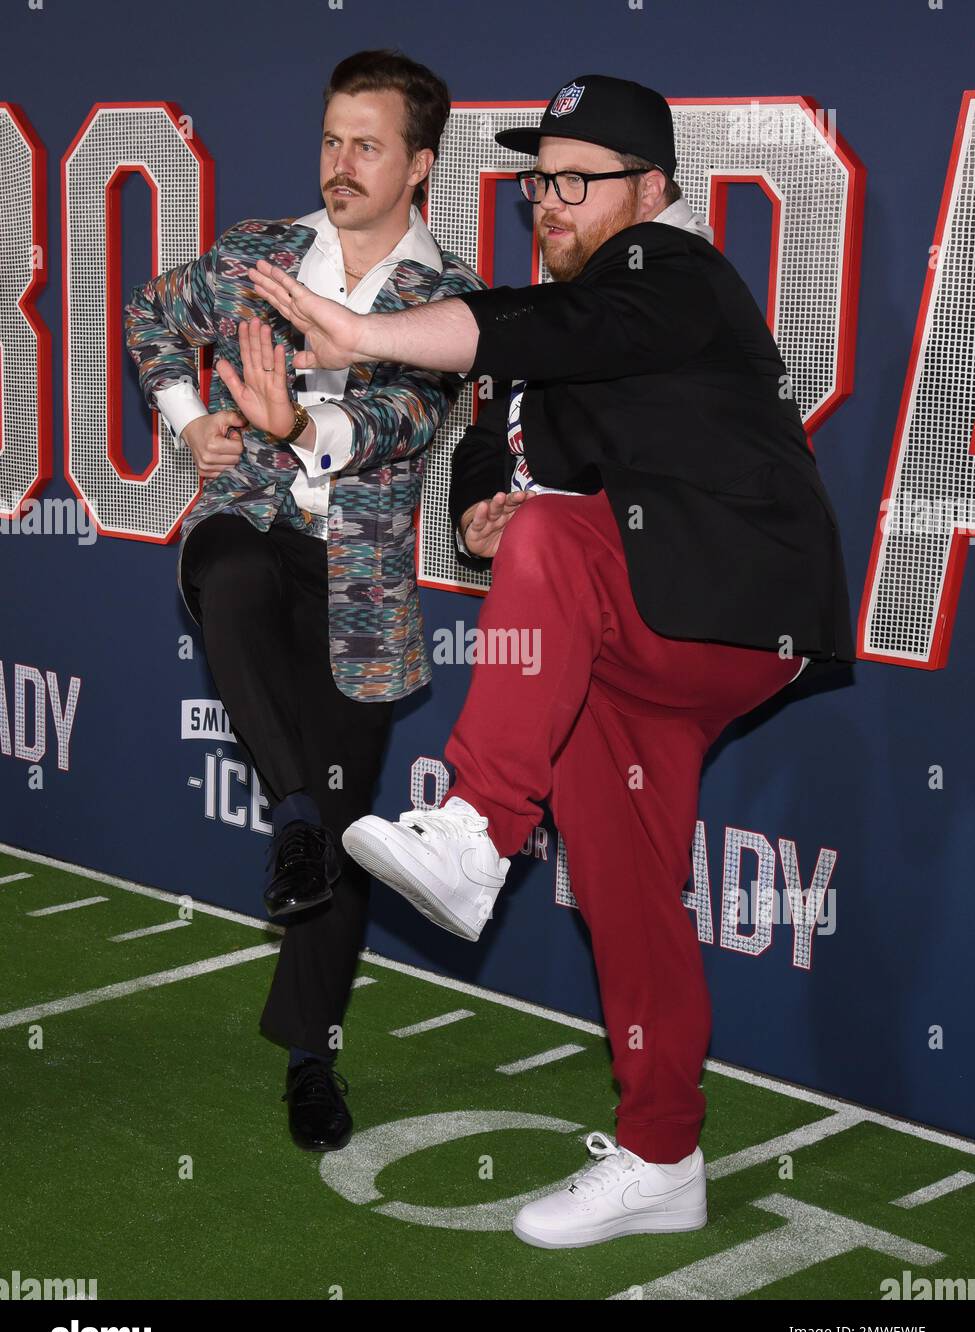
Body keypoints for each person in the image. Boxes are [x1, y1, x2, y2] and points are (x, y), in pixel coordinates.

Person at [248, 73, 855, 1247]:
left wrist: (364, 334)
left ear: (652, 189)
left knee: (552, 539)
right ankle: (663, 1155)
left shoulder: (671, 270)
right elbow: (492, 433)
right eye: (540, 181)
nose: (551, 201)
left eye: (579, 180)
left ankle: (477, 825)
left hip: (737, 598)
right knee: (627, 888)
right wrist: (481, 508)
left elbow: (541, 331)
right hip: (635, 641)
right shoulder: (555, 324)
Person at [124, 49, 483, 1153]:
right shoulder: (259, 253)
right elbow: (150, 314)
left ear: (419, 165)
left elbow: (404, 422)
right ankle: (288, 811)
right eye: (332, 138)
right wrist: (191, 419)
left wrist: (302, 425)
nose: (341, 162)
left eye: (368, 145)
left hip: (356, 584)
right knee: (229, 570)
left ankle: (310, 1057)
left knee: (341, 834)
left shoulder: (451, 301)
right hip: (247, 526)